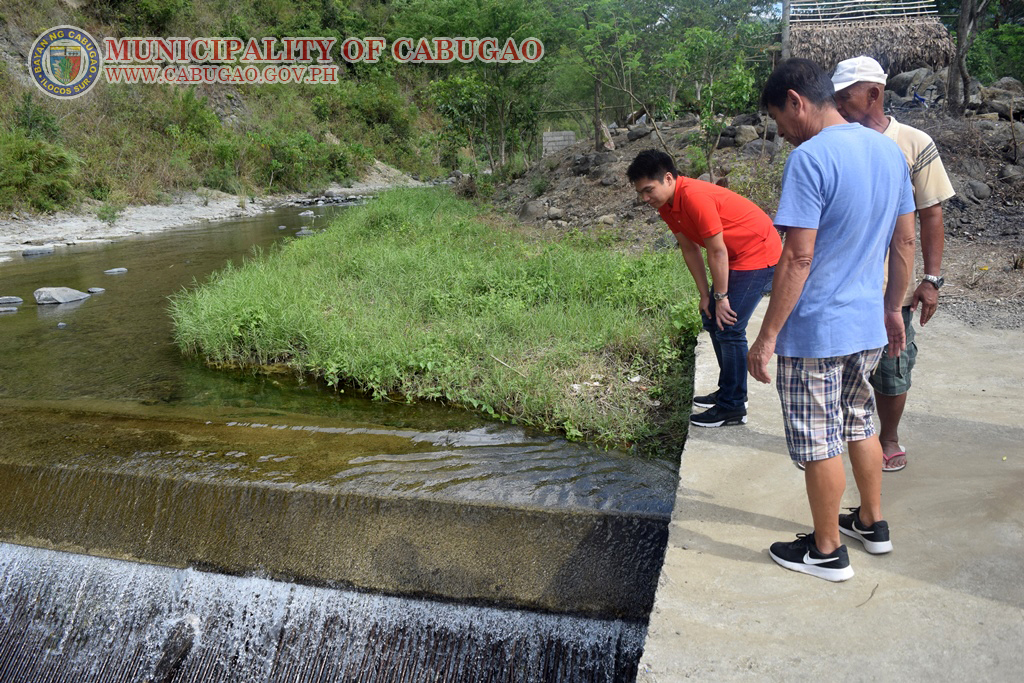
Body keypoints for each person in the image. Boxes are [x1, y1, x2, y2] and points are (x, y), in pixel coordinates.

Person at [747, 59, 916, 581]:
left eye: (779, 118)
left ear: (797, 101)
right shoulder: (888, 152)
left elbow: (797, 259)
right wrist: (893, 307)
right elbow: (904, 241)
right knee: (860, 422)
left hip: (816, 330)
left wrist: (767, 334)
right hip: (866, 325)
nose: (781, 132)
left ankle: (826, 551)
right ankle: (871, 522)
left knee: (821, 439)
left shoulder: (810, 159)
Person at [831, 55, 956, 472]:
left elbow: (931, 214)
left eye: (845, 98)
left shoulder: (914, 143)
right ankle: (850, 438)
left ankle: (888, 437)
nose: (840, 105)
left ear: (874, 94)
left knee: (892, 368)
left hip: (892, 286)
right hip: (845, 282)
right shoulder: (835, 141)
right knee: (843, 367)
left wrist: (931, 279)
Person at [627, 149, 782, 428]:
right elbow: (689, 248)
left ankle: (733, 406)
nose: (645, 199)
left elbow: (717, 251)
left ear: (669, 178)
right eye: (640, 193)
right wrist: (705, 296)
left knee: (728, 325)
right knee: (711, 317)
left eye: (648, 190)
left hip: (757, 252)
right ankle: (729, 391)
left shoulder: (694, 197)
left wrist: (720, 297)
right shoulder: (667, 205)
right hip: (735, 255)